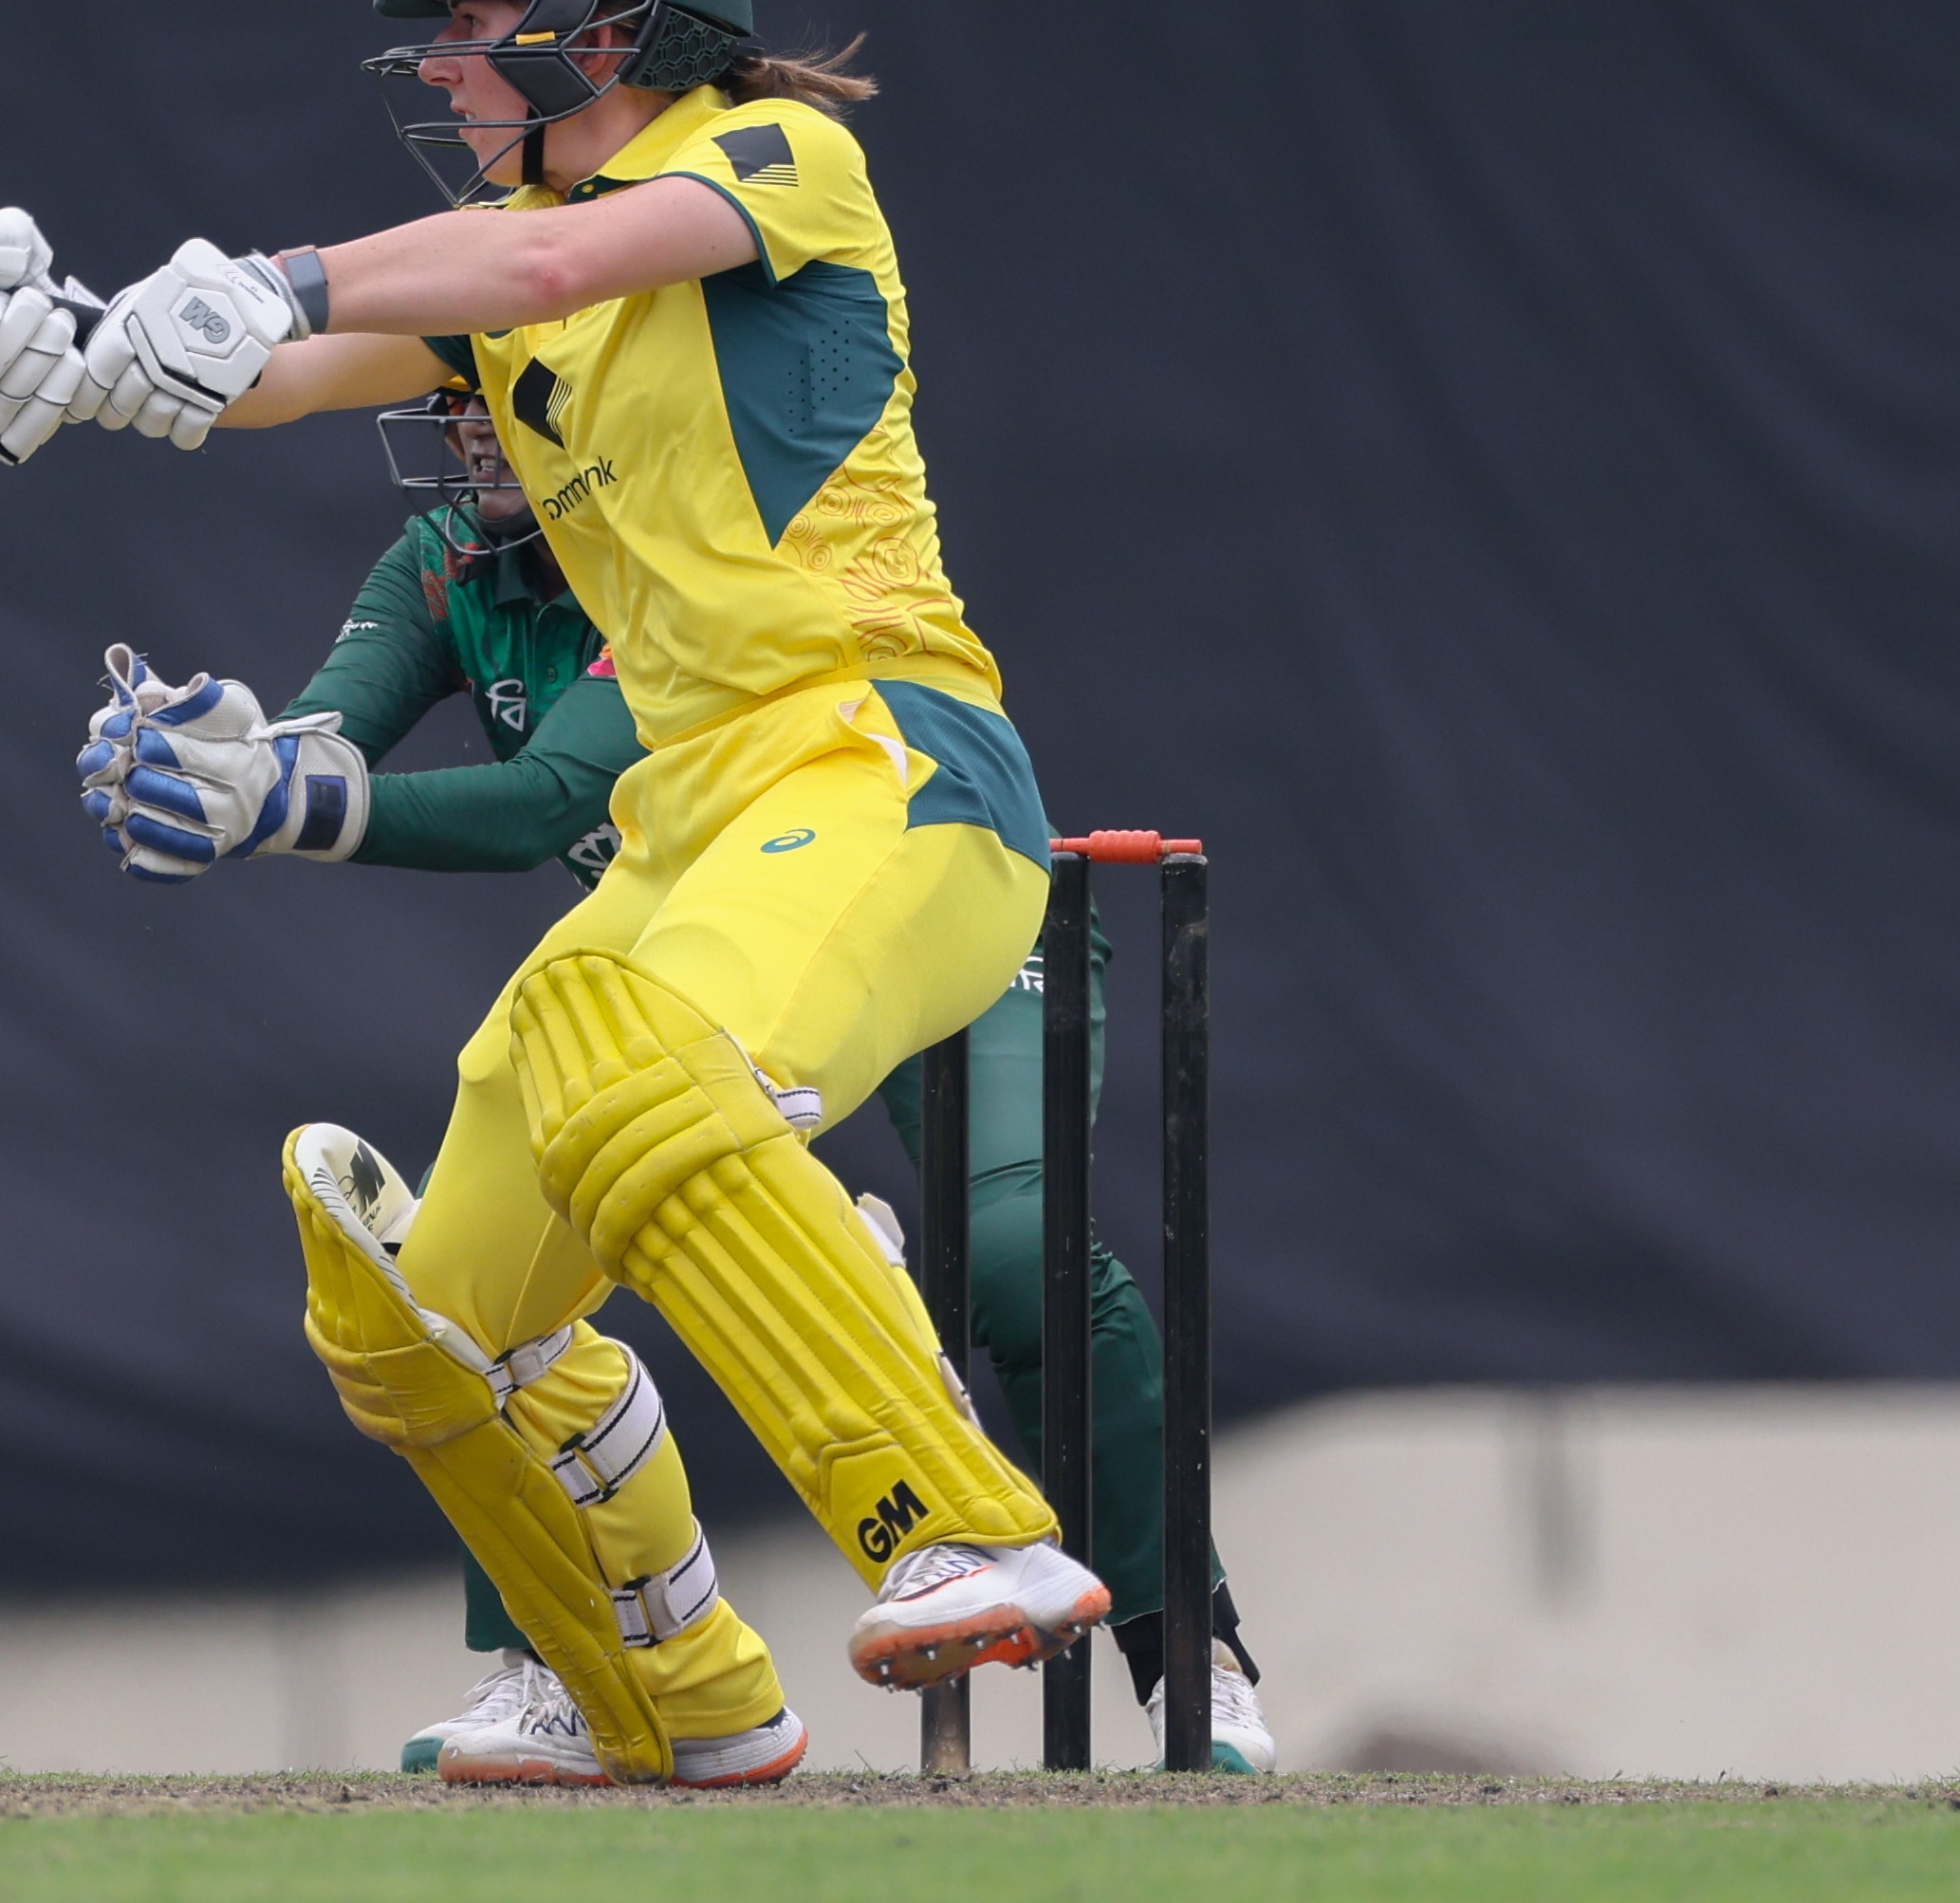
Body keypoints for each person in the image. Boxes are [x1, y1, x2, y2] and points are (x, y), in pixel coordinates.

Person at [0, 0, 1161, 1788]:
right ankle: (666, 1683)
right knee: (425, 1318)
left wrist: (261, 274)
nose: (448, 66)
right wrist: (66, 351)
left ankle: (966, 1527)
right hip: (695, 812)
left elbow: (543, 254)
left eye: (481, 23)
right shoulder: (510, 283)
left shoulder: (767, 160)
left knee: (639, 1068)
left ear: (617, 24)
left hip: (884, 759)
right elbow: (284, 377)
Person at [86, 392, 1275, 1775]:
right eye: (453, 400)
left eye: (500, 400)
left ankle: (1187, 1655)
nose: (473, 433)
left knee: (1013, 1254)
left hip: (904, 881)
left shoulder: (651, 542)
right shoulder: (441, 561)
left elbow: (549, 796)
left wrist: (288, 813)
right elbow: (326, 734)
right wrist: (227, 765)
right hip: (694, 952)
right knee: (480, 1266)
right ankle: (561, 1663)